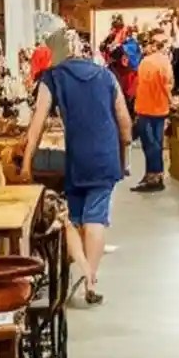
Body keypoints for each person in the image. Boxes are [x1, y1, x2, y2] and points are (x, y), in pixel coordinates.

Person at [21, 28, 131, 304]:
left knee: (73, 219)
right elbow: (124, 121)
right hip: (105, 156)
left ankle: (83, 272)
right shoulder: (106, 75)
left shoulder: (53, 77)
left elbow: (37, 124)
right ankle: (90, 281)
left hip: (77, 157)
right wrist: (123, 154)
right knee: (95, 220)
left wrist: (26, 164)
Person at [131, 34, 174, 192]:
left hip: (146, 109)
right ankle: (155, 174)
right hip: (160, 109)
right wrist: (171, 102)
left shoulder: (146, 62)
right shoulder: (165, 63)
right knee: (156, 144)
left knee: (150, 145)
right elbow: (168, 85)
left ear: (153, 45)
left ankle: (153, 178)